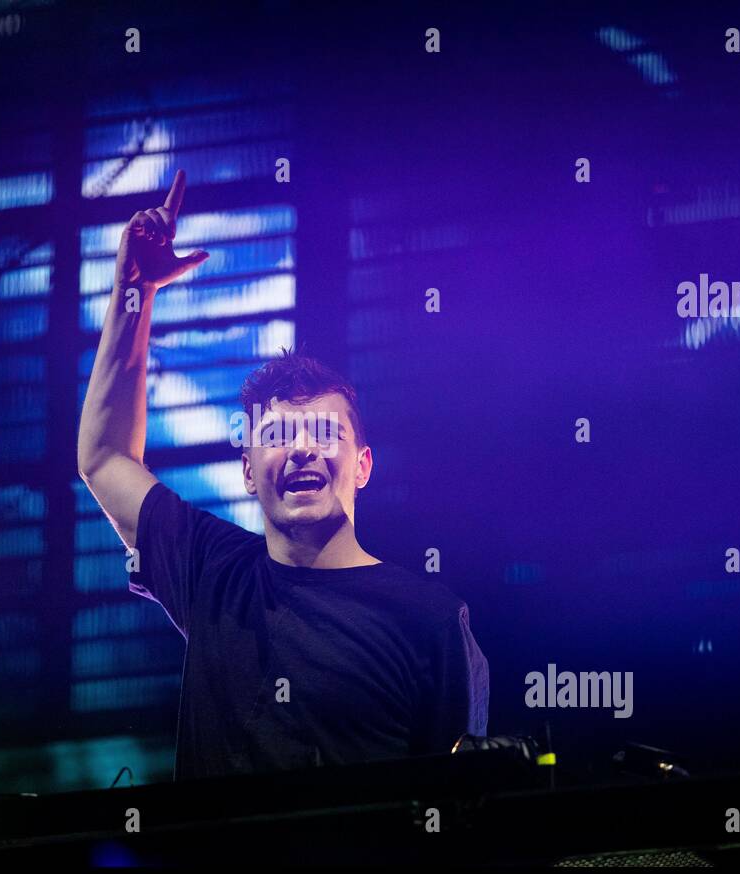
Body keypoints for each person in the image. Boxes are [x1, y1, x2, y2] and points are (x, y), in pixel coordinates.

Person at [78, 170, 489, 780]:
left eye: (324, 434)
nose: (301, 451)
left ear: (363, 465)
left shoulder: (428, 618)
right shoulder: (210, 571)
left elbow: (460, 813)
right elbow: (105, 456)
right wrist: (134, 294)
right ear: (247, 470)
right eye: (276, 437)